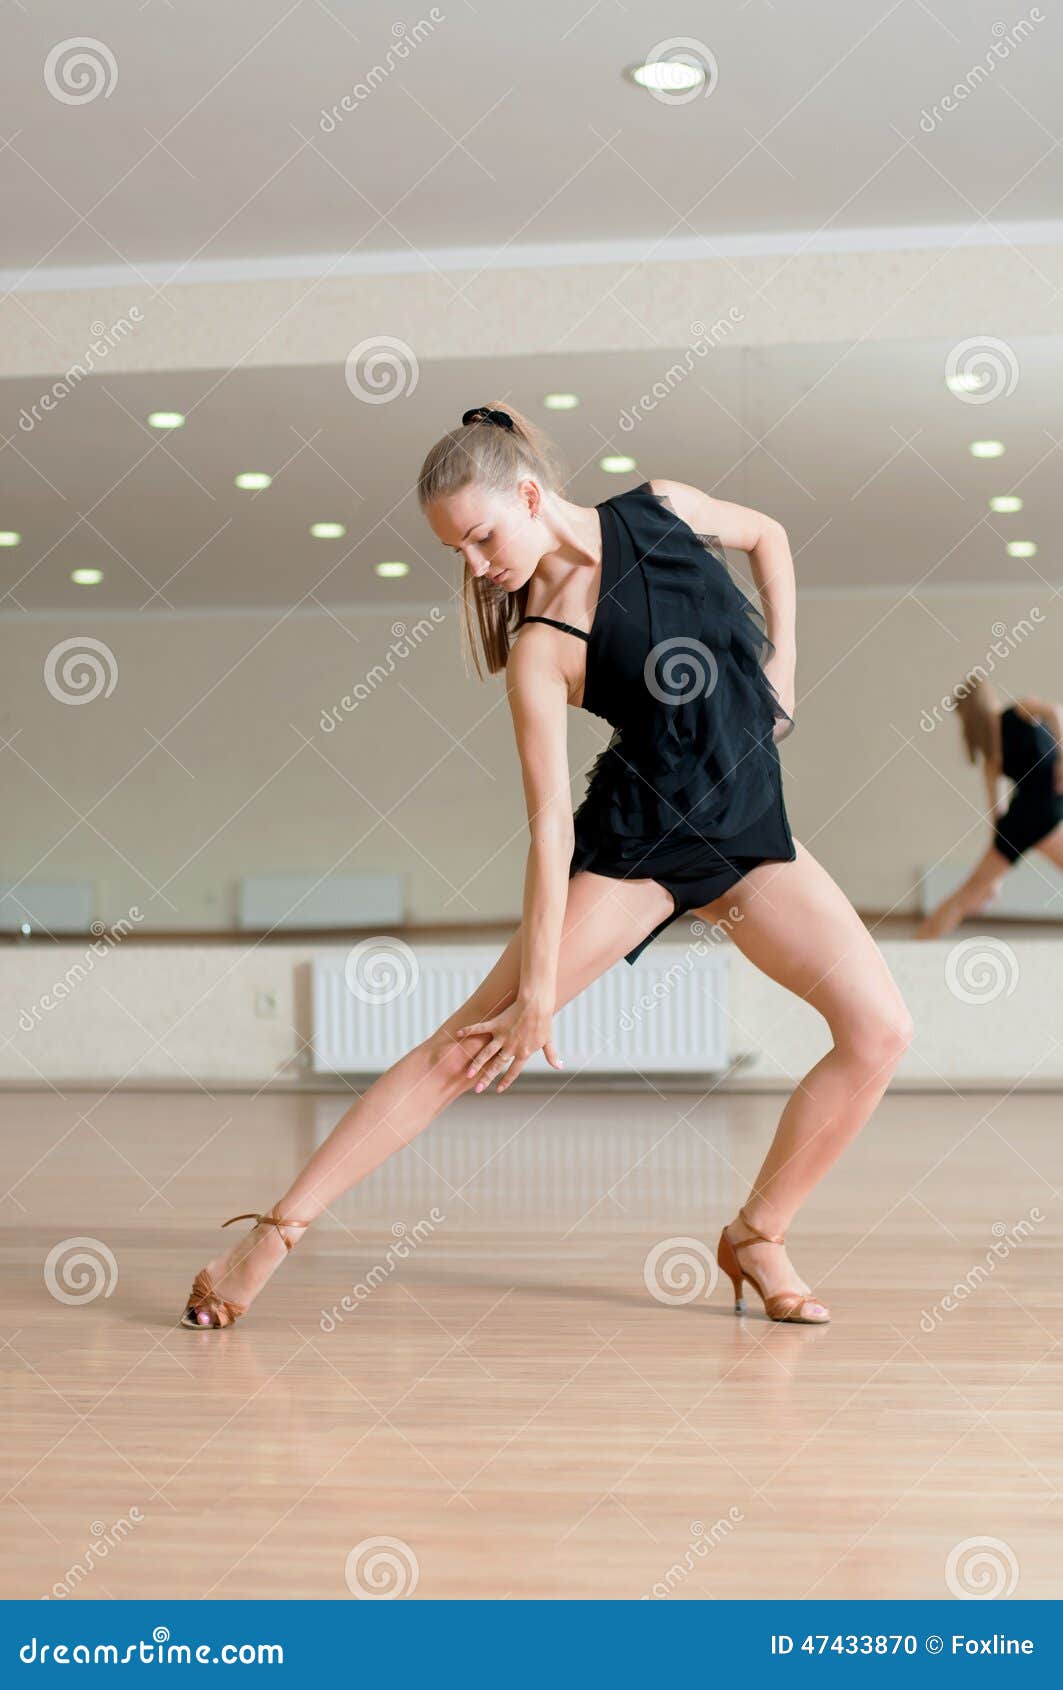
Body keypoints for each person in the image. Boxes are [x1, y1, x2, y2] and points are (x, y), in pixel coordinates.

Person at [180, 402, 913, 1332]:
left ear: (528, 495)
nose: (477, 565)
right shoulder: (541, 646)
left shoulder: (665, 508)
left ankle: (757, 1234)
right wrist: (533, 994)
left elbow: (766, 535)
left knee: (879, 1032)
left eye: (481, 536)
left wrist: (787, 666)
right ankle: (271, 1236)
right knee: (467, 1045)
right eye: (459, 552)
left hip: (749, 832)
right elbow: (546, 834)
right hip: (638, 849)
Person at [916, 677, 1063, 939]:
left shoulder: (991, 755)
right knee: (969, 892)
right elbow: (1056, 711)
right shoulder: (1019, 711)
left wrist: (997, 870)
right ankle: (918, 943)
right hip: (1042, 815)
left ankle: (920, 941)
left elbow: (997, 812)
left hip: (1027, 820)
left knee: (968, 893)